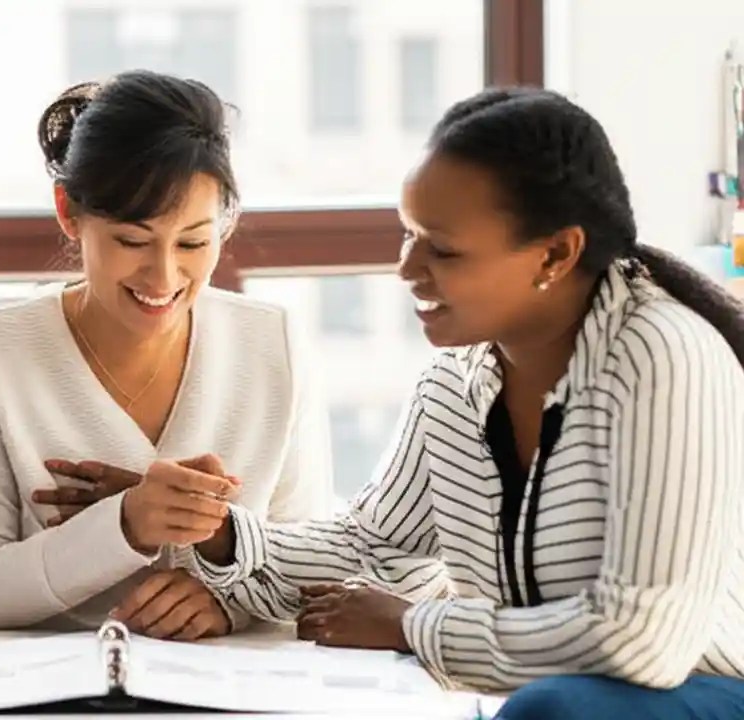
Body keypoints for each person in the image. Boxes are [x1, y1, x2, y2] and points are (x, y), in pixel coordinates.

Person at [104, 87, 744, 719]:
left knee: (554, 709)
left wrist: (416, 626)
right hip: (543, 708)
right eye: (409, 235)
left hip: (701, 693)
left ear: (555, 253)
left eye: (443, 250)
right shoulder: (454, 386)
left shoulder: (661, 355)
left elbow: (645, 640)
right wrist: (218, 532)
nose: (407, 269)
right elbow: (370, 544)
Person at [0, 70, 340, 639]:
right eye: (132, 241)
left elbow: (314, 564)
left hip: (233, 687)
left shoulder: (275, 343)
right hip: (53, 691)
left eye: (194, 242)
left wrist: (228, 602)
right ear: (69, 212)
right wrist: (126, 525)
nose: (165, 276)